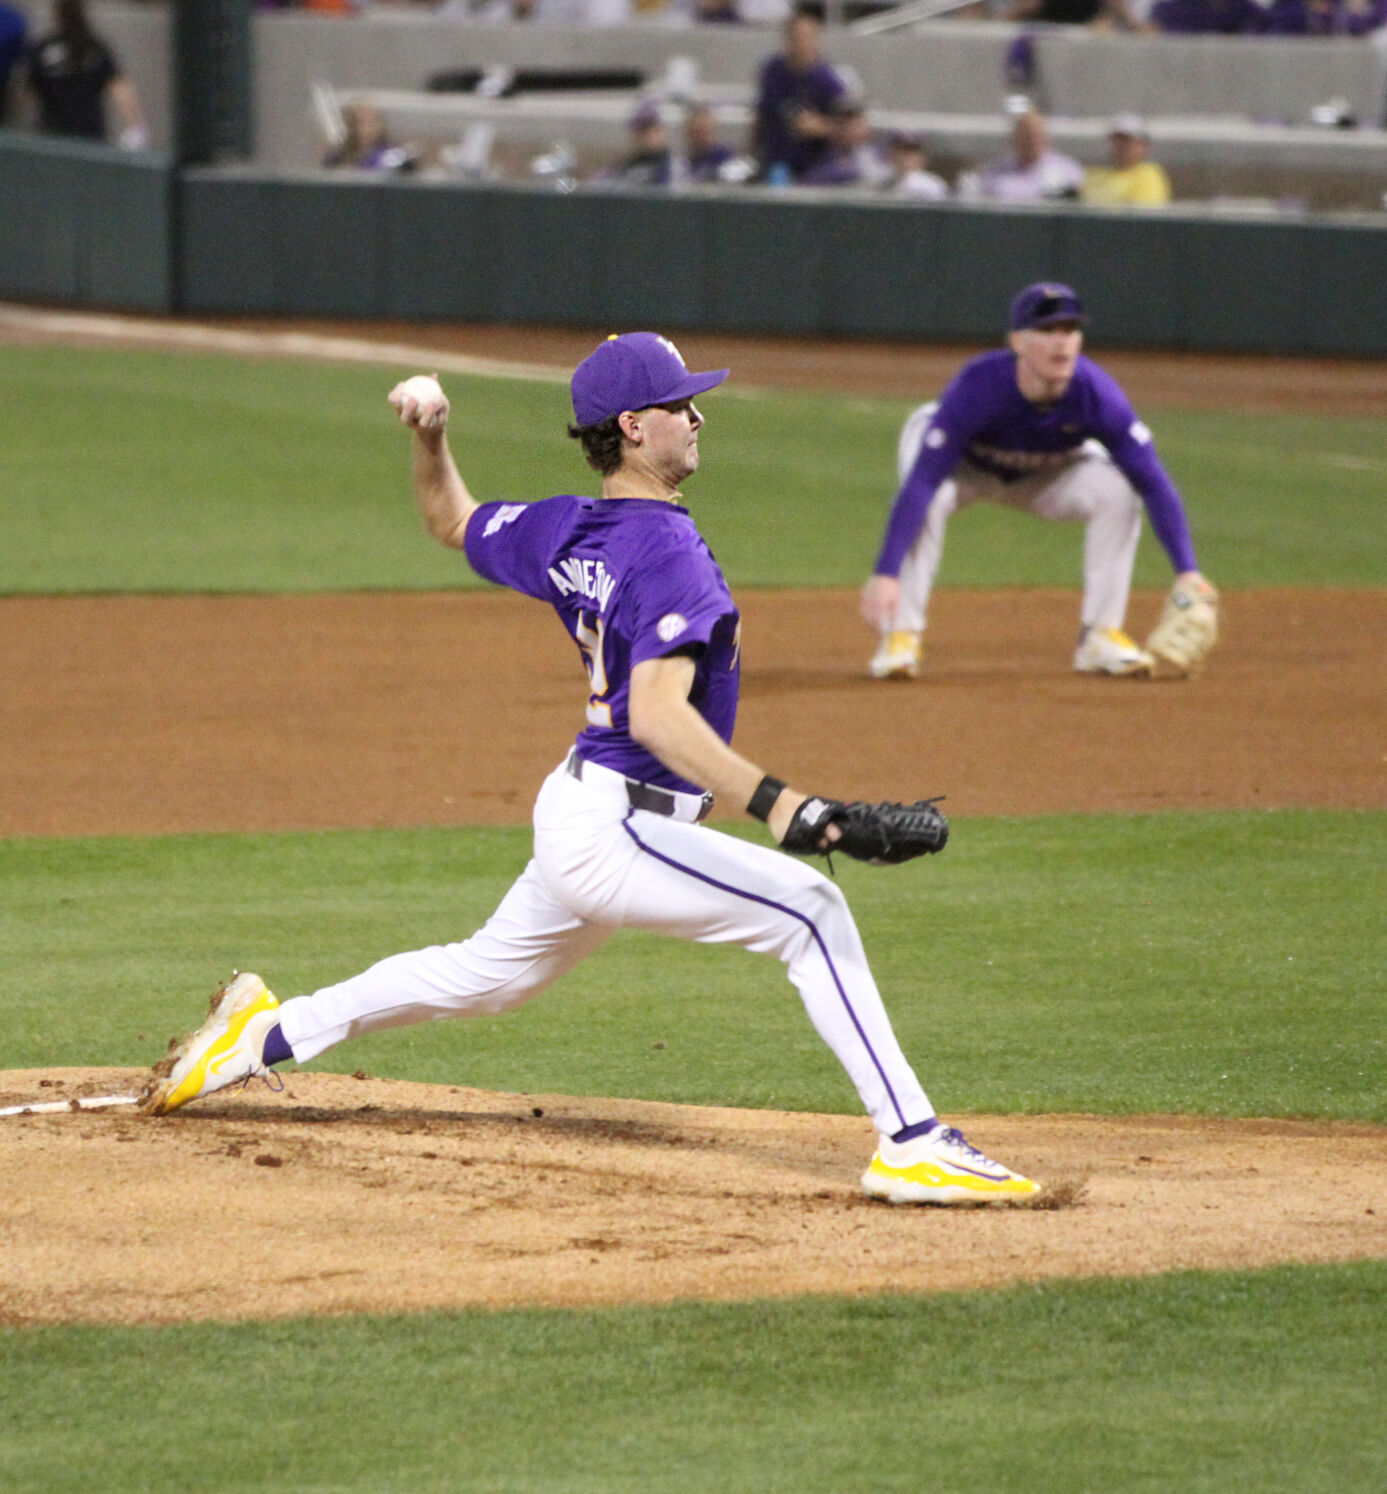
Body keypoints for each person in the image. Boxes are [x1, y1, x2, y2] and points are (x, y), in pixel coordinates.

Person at [138, 332, 1039, 1209]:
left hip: (582, 809)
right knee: (811, 909)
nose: (698, 416)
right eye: (683, 403)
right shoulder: (669, 556)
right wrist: (785, 808)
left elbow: (449, 519)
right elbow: (654, 712)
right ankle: (914, 1145)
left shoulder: (569, 527)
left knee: (484, 976)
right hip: (617, 831)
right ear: (635, 426)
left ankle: (263, 1035)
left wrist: (431, 437)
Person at [861, 284, 1218, 681]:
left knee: (1118, 492)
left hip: (1044, 475)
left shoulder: (1096, 393)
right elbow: (924, 481)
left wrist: (1188, 571)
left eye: (1070, 330)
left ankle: (1100, 636)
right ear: (1018, 341)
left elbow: (1152, 480)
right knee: (932, 499)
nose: (1061, 342)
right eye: (1047, 330)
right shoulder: (980, 385)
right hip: (964, 470)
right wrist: (886, 572)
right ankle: (901, 635)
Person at [22, 0, 146, 148]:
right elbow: (120, 90)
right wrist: (135, 127)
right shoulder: (94, 48)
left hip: (52, 137)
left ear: (57, 15)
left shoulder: (44, 49)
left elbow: (26, 94)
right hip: (90, 136)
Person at [752, 7, 849, 182]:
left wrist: (821, 126)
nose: (800, 43)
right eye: (795, 37)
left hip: (813, 165)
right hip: (776, 160)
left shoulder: (828, 81)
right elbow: (762, 113)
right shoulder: (772, 71)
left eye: (805, 38)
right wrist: (753, 149)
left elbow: (850, 130)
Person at [966, 103, 1083, 204]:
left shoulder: (1066, 171)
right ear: (1015, 138)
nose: (1031, 141)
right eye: (1026, 136)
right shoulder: (995, 171)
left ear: (1045, 138)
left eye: (1035, 136)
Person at [1080, 115, 1171, 208]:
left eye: (1127, 141)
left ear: (1143, 146)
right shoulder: (1095, 174)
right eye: (1116, 140)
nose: (1120, 146)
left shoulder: (1148, 175)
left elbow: (1143, 215)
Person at [799, 97, 892, 188]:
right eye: (842, 124)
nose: (850, 129)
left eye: (856, 124)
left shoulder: (882, 153)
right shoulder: (821, 157)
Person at [607, 101, 673, 187]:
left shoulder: (676, 166)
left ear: (662, 130)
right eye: (642, 130)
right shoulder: (626, 166)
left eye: (653, 129)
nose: (650, 135)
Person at [885, 132, 949, 201]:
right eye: (903, 151)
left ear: (923, 157)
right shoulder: (886, 180)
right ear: (893, 154)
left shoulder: (931, 184)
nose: (907, 157)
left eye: (913, 152)